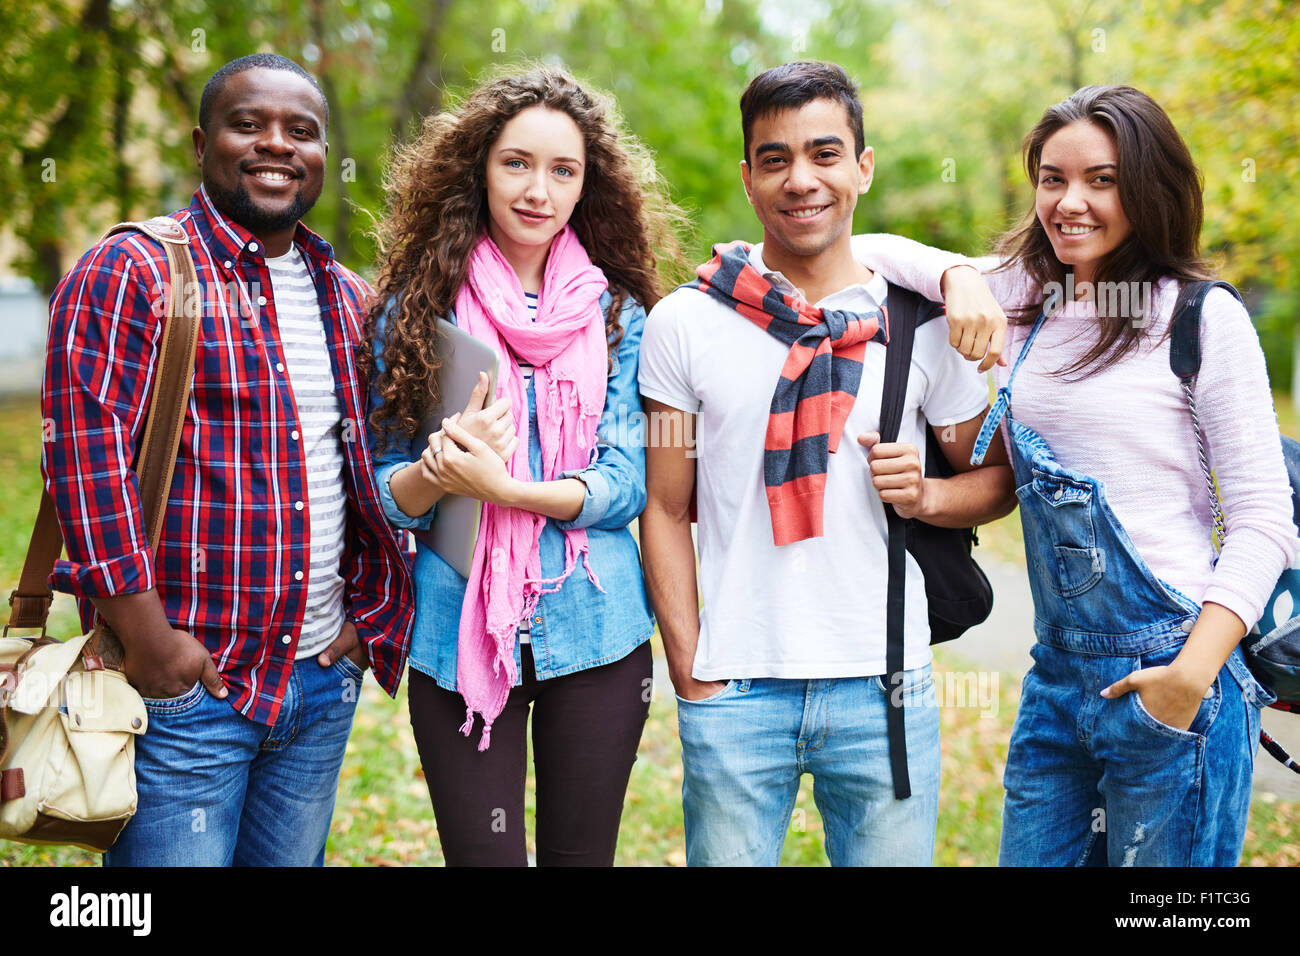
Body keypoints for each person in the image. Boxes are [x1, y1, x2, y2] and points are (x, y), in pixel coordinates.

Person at [853, 84, 1298, 866]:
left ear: (1150, 190)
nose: (1070, 202)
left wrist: (1188, 678)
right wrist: (959, 277)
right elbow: (868, 250)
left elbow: (1265, 518)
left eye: (1102, 180)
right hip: (1058, 675)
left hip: (1175, 663)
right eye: (1052, 179)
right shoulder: (1029, 295)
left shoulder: (1199, 317)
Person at [637, 60, 1017, 867]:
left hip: (886, 686)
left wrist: (928, 497)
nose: (801, 179)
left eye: (825, 153)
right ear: (748, 178)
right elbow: (664, 506)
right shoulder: (684, 322)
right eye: (775, 159)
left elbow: (995, 482)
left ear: (863, 168)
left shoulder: (923, 323)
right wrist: (689, 667)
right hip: (735, 688)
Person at [41, 54, 414, 866]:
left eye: (300, 131)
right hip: (186, 691)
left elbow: (370, 469)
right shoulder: (134, 271)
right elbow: (84, 464)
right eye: (249, 125)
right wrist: (151, 644)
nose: (276, 144)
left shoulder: (347, 297)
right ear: (201, 142)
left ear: (322, 154)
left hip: (318, 685)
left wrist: (363, 623)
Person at [363, 68, 684, 866]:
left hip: (597, 632)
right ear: (479, 168)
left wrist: (506, 490)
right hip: (456, 631)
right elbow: (383, 488)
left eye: (562, 170)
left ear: (586, 185)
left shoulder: (620, 316)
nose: (538, 190)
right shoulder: (414, 312)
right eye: (516, 163)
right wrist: (439, 473)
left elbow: (626, 484)